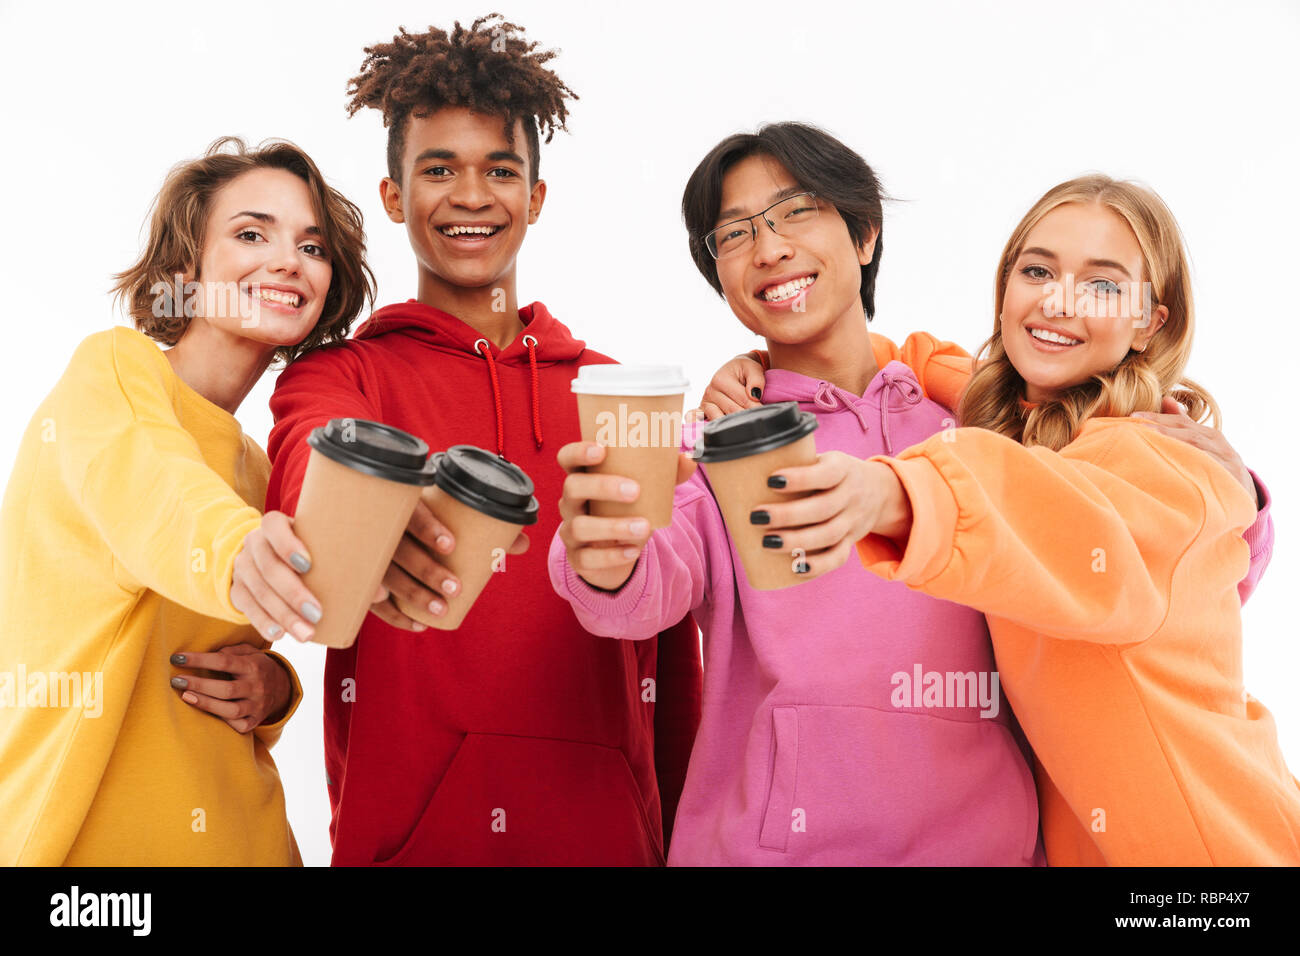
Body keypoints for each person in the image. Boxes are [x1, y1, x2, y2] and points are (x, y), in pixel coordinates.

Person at [749, 174, 1298, 864]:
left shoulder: (1160, 457)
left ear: (1150, 321)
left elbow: (1057, 513)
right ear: (1006, 290)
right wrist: (769, 366)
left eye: (1102, 285)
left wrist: (894, 494)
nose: (1058, 301)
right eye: (1036, 270)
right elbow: (924, 361)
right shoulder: (1022, 420)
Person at [264, 15, 702, 866]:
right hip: (408, 846)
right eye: (439, 170)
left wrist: (681, 839)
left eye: (500, 170)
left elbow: (674, 648)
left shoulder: (618, 391)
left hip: (611, 842)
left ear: (536, 198)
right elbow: (308, 489)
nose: (472, 196)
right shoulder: (338, 379)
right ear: (394, 196)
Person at [0, 136, 376, 864]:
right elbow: (160, 498)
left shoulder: (263, 471)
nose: (287, 259)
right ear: (183, 270)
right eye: (249, 234)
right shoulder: (114, 373)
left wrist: (276, 690)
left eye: (313, 245)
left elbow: (290, 618)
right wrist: (245, 555)